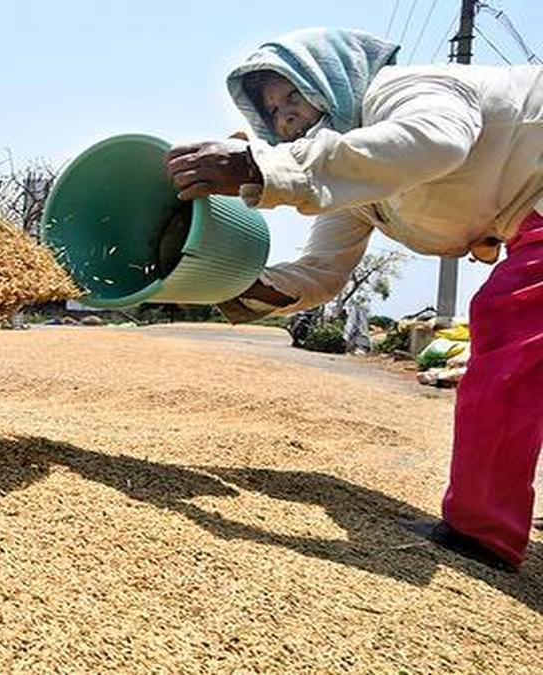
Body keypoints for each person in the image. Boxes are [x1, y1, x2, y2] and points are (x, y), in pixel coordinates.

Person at [165, 28, 543, 571]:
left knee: (509, 325)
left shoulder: (407, 90)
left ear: (333, 77)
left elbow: (435, 143)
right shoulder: (357, 180)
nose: (286, 119)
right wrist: (220, 285)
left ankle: (482, 530)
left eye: (293, 95)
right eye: (272, 114)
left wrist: (258, 168)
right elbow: (320, 273)